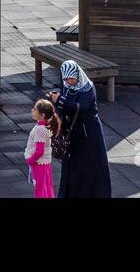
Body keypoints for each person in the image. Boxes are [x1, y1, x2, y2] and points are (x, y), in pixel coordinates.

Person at [48, 59, 112, 198]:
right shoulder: (66, 85)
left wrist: (60, 100)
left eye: (71, 78)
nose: (69, 82)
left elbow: (80, 108)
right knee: (72, 168)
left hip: (88, 134)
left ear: (77, 75)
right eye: (66, 79)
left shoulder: (87, 88)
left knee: (88, 167)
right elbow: (65, 106)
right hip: (72, 133)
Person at [24, 99, 58, 199]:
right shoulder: (46, 126)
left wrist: (30, 160)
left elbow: (39, 151)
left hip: (39, 164)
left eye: (35, 109)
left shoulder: (40, 129)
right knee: (47, 187)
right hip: (44, 163)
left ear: (42, 115)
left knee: (40, 189)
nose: (32, 110)